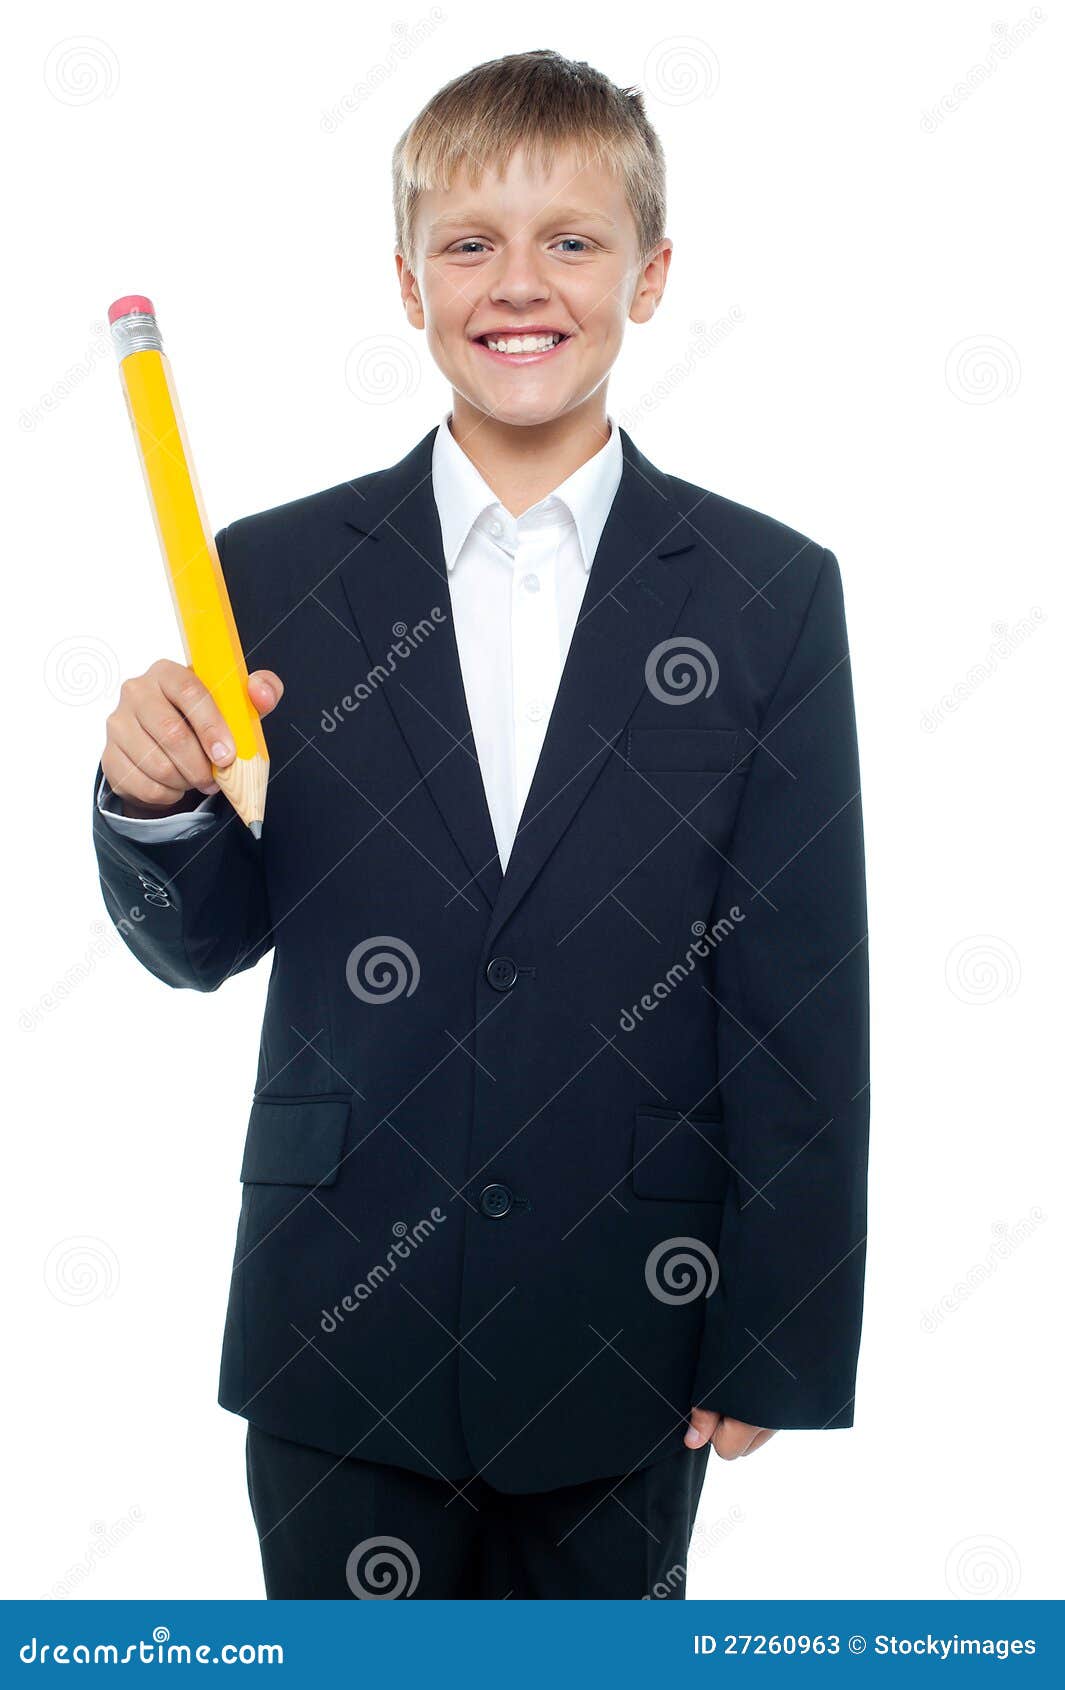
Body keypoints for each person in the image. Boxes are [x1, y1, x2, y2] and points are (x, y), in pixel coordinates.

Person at [92, 49, 869, 1599]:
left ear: (649, 278)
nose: (520, 285)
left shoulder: (768, 593)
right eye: (468, 243)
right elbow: (210, 941)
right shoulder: (276, 569)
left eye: (571, 241)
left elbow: (798, 986)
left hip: (624, 1328)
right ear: (406, 283)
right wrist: (149, 804)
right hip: (334, 1326)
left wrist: (778, 1321)